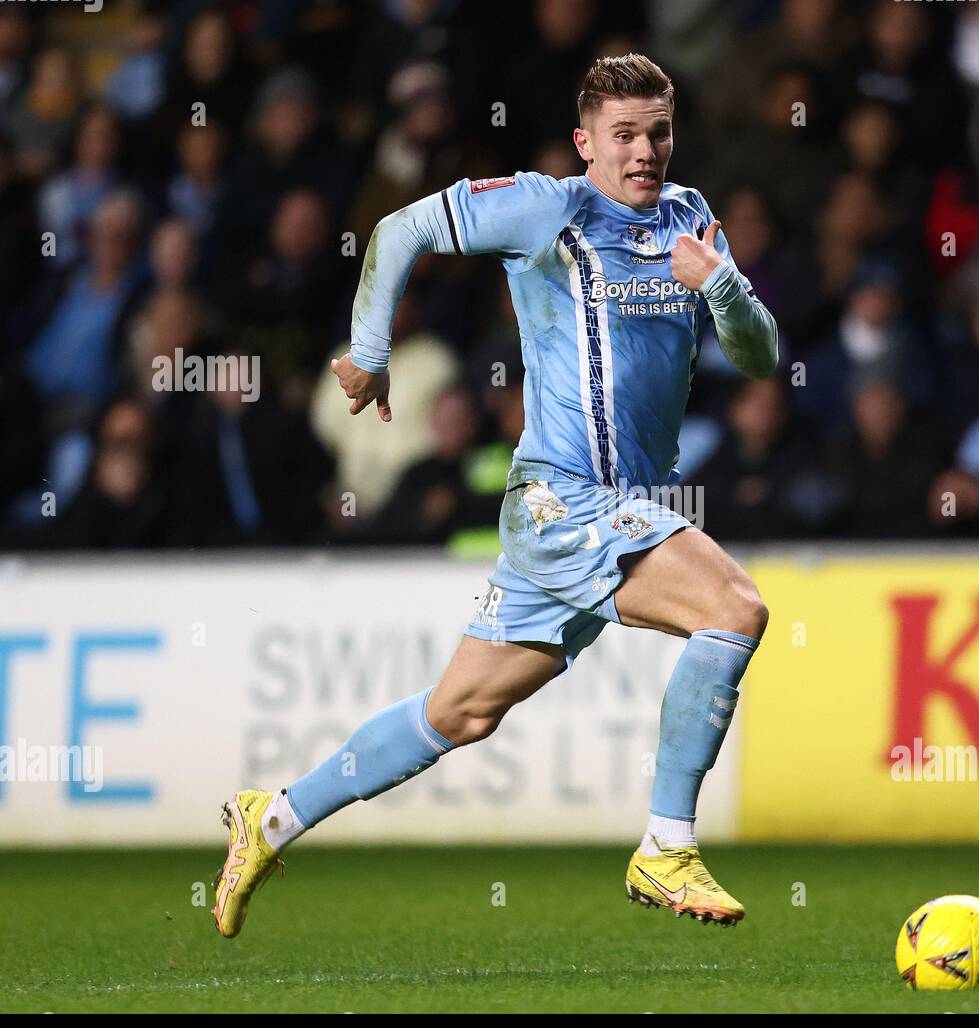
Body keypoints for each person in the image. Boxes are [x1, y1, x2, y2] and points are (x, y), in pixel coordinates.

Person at [212, 54, 779, 936]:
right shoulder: (548, 208)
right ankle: (667, 845)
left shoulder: (690, 220)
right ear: (585, 142)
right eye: (624, 135)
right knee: (734, 609)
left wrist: (722, 286)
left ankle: (273, 817)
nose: (644, 151)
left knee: (460, 713)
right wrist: (371, 352)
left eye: (659, 133)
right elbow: (401, 227)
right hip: (564, 500)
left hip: (613, 511)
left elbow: (759, 356)